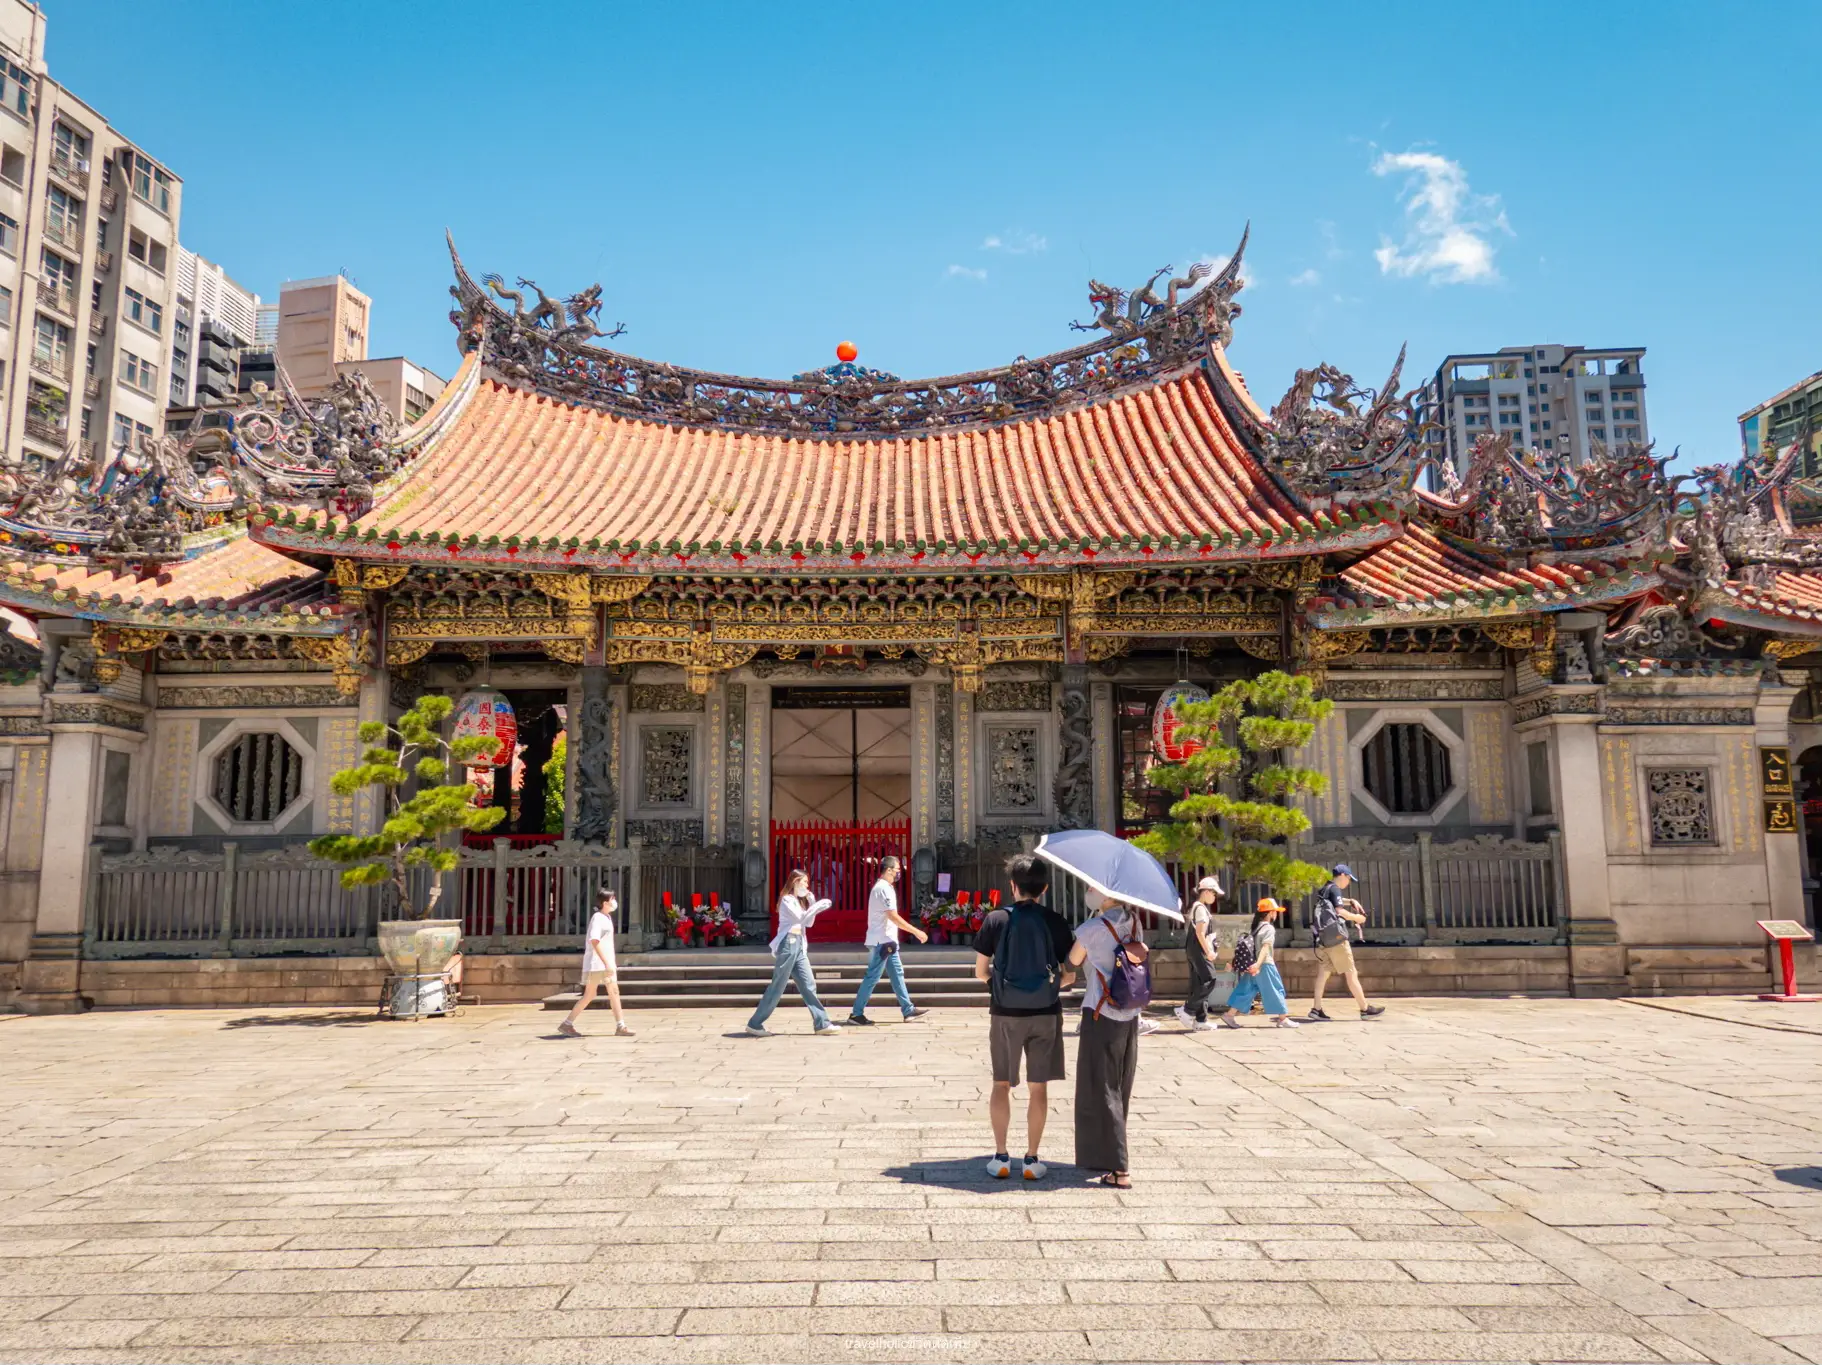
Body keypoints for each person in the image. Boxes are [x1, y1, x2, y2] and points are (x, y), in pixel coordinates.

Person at [972, 852, 1076, 1182]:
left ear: (1012, 886)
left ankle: (1001, 1156)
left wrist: (1001, 986)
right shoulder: (1055, 921)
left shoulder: (996, 919)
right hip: (1045, 1013)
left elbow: (980, 972)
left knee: (1001, 1083)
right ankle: (1031, 1160)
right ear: (1044, 888)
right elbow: (1071, 975)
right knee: (1038, 1088)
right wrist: (1045, 987)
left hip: (1005, 1013)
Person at [1068, 891, 1150, 1189]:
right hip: (1129, 1011)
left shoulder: (1092, 928)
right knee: (1119, 1083)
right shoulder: (1135, 922)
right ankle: (1101, 1154)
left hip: (1101, 1011)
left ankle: (1119, 1166)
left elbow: (1075, 959)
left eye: (1092, 889)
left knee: (1100, 1085)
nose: (1088, 893)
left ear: (1105, 896)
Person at [747, 869, 841, 1037]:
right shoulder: (787, 900)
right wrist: (817, 906)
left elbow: (809, 923)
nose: (806, 886)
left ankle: (822, 1023)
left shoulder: (798, 901)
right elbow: (800, 918)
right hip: (788, 943)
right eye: (804, 882)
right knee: (778, 985)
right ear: (795, 882)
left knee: (808, 984)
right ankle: (755, 1023)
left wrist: (813, 905)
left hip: (798, 945)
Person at [848, 855, 932, 1026]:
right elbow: (893, 916)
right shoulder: (884, 889)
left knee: (896, 974)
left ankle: (907, 1010)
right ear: (888, 870)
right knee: (872, 976)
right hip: (883, 941)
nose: (898, 873)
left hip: (886, 941)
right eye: (896, 870)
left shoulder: (883, 888)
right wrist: (916, 931)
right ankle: (856, 1014)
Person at [1307, 863, 1386, 1022]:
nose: (1348, 882)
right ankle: (1365, 1009)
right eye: (1349, 878)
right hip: (1336, 940)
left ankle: (1316, 1009)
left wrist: (1350, 900)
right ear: (1342, 875)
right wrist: (1358, 918)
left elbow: (1336, 902)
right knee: (1351, 973)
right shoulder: (1335, 888)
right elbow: (1340, 911)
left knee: (1323, 973)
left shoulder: (1326, 888)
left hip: (1323, 939)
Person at [557, 889, 635, 1038]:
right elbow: (594, 941)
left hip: (603, 963)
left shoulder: (606, 918)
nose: (614, 901)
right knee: (598, 994)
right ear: (605, 902)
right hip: (598, 964)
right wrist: (606, 962)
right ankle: (620, 1026)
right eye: (612, 898)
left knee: (603, 993)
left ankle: (568, 1024)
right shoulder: (598, 918)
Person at [1220, 897, 1297, 1029]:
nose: (1276, 914)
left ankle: (1229, 1015)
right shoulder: (1268, 929)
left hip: (1252, 965)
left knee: (1246, 990)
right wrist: (1258, 964)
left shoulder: (1255, 928)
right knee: (1275, 989)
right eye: (1275, 911)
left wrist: (1253, 965)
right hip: (1264, 965)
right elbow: (1265, 948)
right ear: (1269, 913)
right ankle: (1283, 1019)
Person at [1174, 875, 1224, 1032]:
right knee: (1210, 979)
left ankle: (1201, 1020)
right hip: (1199, 949)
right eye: (1214, 893)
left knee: (1200, 983)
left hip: (1193, 948)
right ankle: (1187, 1010)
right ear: (1206, 891)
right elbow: (1200, 932)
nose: (1215, 896)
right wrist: (1208, 951)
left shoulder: (1197, 906)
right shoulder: (1200, 908)